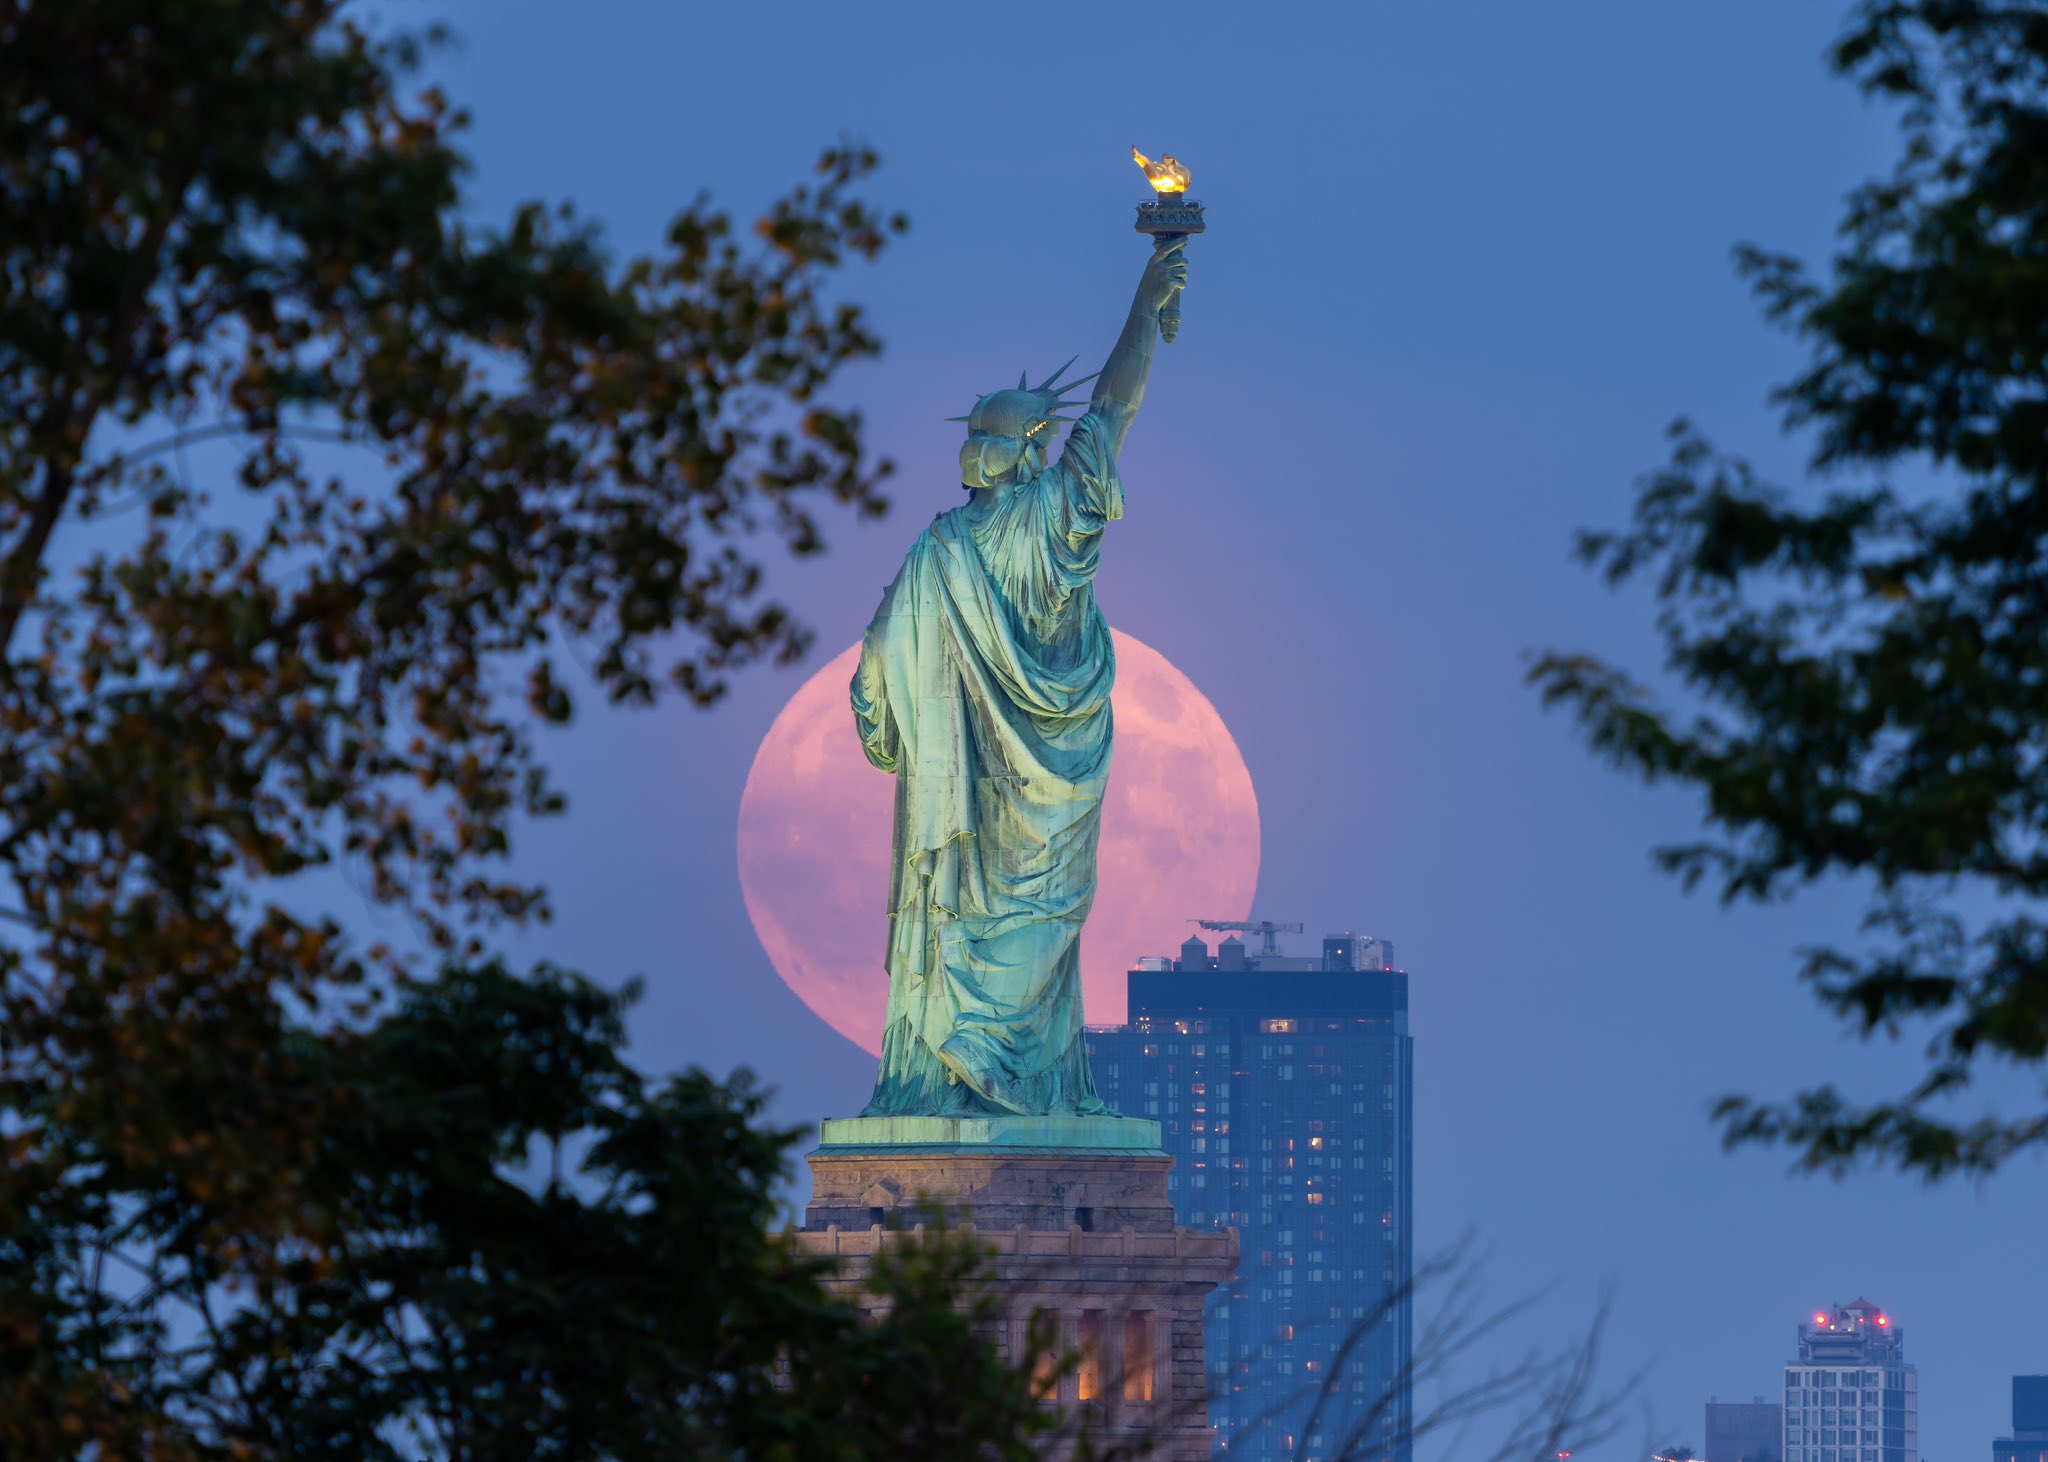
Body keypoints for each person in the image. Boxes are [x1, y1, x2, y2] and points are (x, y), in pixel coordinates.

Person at [851, 236, 1188, 1117]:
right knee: (1042, 913)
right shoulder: (1048, 519)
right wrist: (1145, 310)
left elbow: (873, 672)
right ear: (1032, 453)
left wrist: (905, 738)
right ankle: (997, 1064)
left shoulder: (934, 555)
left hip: (958, 795)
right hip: (1051, 773)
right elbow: (1111, 412)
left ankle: (965, 1062)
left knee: (968, 906)